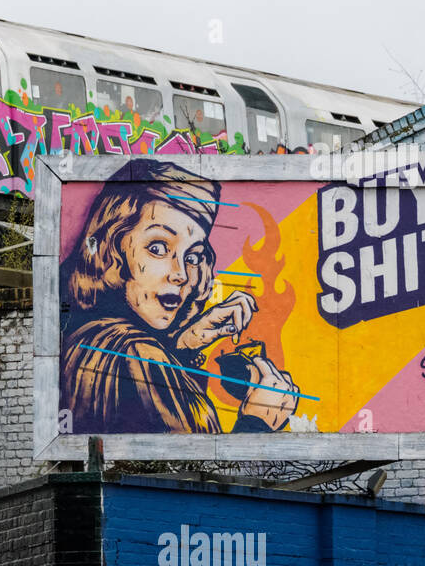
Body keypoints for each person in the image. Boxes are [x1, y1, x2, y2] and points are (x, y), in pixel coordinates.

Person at [60, 159, 299, 434]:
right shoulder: (138, 353)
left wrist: (184, 343)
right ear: (114, 249)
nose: (182, 274)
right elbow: (200, 471)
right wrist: (258, 420)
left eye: (194, 256)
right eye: (158, 247)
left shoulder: (90, 336)